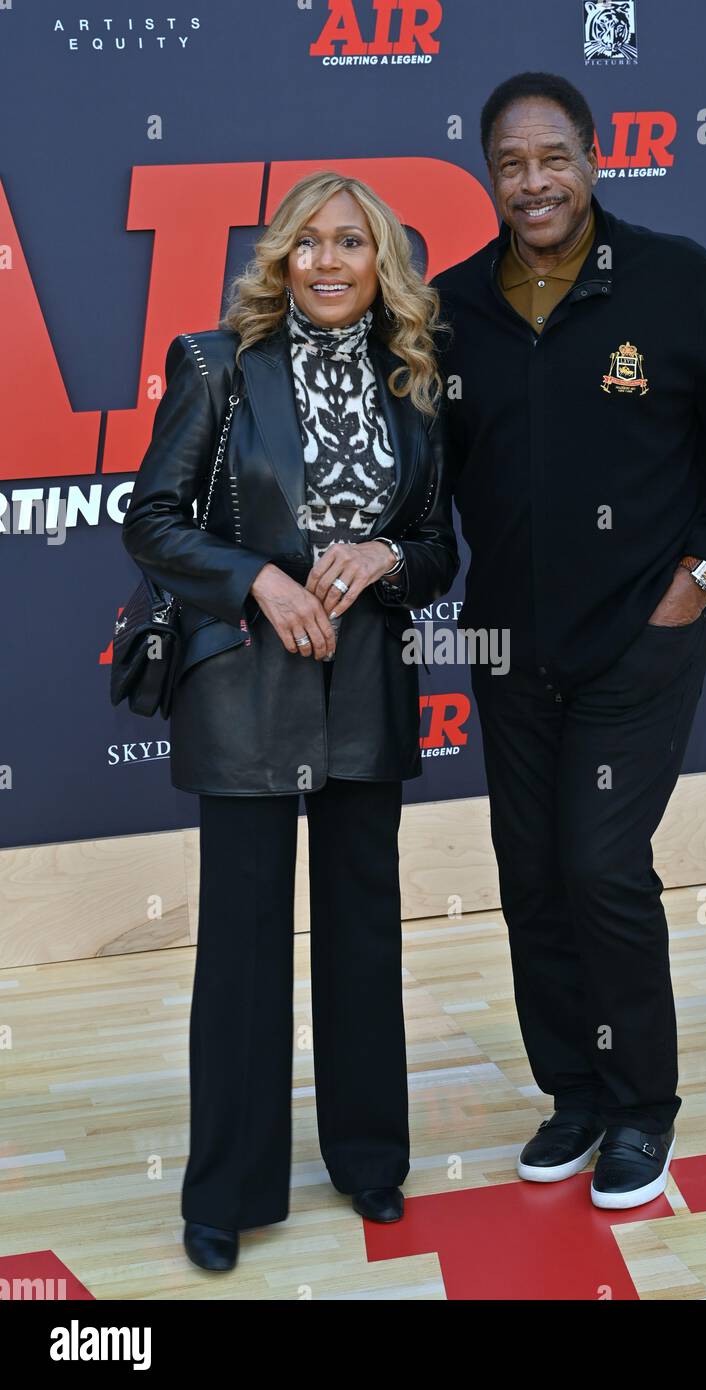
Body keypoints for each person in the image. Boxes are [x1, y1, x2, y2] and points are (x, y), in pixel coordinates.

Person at [431, 72, 706, 1209]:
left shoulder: (673, 280)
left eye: (553, 157)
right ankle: (576, 1095)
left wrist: (695, 582)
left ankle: (642, 1110)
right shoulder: (452, 307)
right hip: (510, 650)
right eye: (510, 164)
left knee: (598, 865)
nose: (533, 182)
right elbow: (425, 482)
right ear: (488, 175)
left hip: (639, 642)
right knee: (533, 878)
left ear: (595, 159)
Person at [122, 171, 458, 1270]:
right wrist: (258, 580)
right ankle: (225, 1191)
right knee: (245, 946)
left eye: (351, 243)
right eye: (307, 242)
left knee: (363, 934)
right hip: (245, 685)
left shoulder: (414, 378)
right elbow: (153, 521)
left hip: (365, 683)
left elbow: (442, 550)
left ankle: (370, 1160)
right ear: (280, 257)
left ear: (382, 263)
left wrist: (391, 555)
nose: (326, 261)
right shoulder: (216, 366)